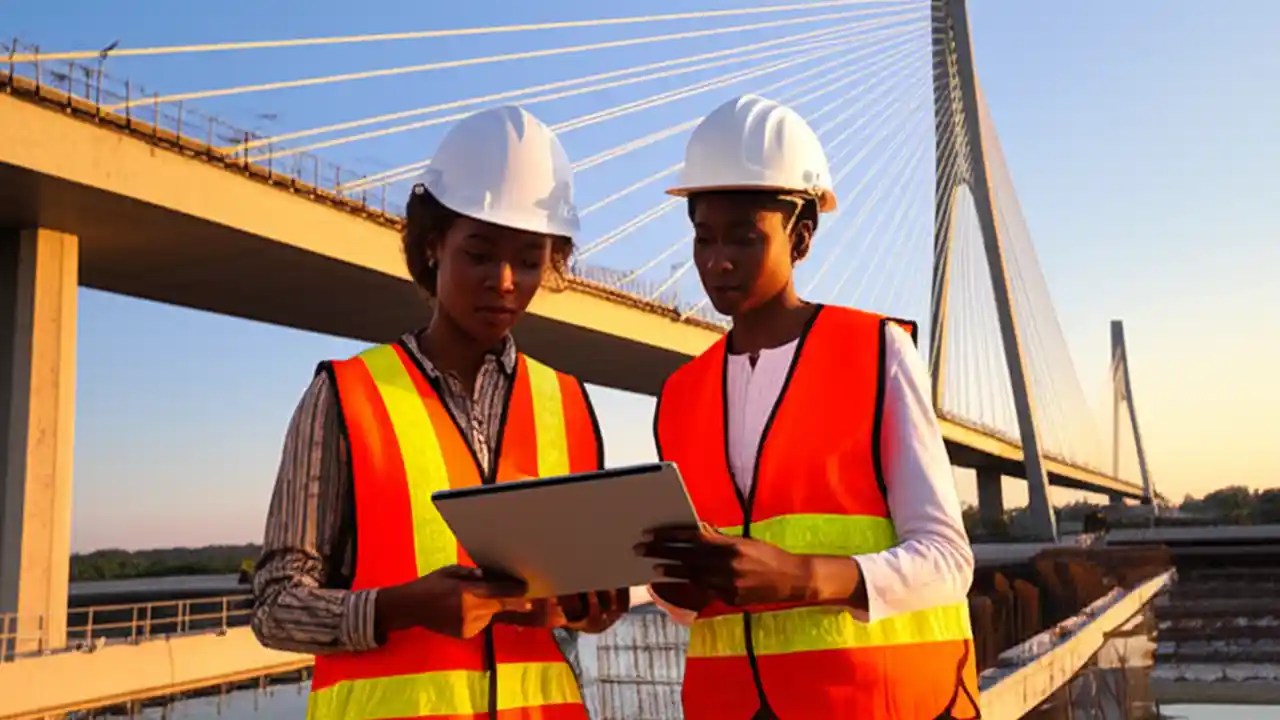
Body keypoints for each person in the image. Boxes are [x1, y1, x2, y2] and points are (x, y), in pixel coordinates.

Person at [251, 105, 628, 720]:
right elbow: (273, 607)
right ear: (433, 245)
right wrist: (401, 607)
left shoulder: (569, 405)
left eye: (530, 260)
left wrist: (590, 609)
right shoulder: (345, 397)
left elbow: (565, 619)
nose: (505, 281)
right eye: (480, 254)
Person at [637, 94, 981, 719]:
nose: (717, 260)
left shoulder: (876, 353)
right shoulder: (680, 395)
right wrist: (678, 591)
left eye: (744, 237)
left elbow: (949, 561)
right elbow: (692, 606)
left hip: (875, 705)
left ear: (801, 237)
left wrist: (807, 577)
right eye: (704, 237)